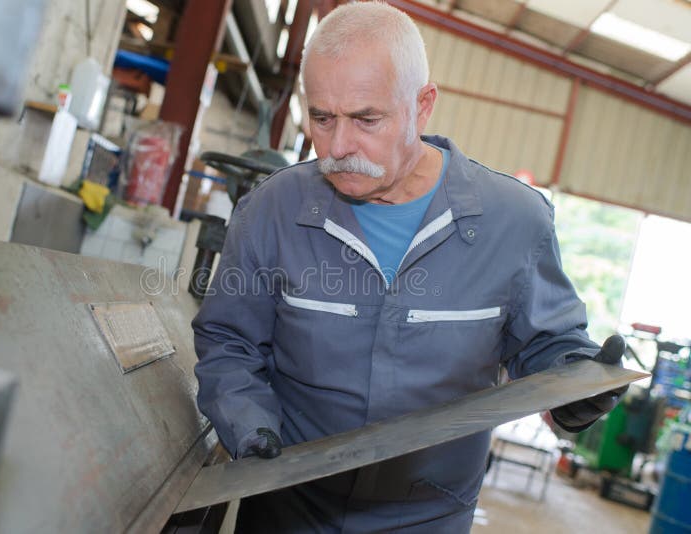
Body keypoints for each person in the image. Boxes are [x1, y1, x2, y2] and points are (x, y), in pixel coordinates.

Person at [192, 2, 625, 532]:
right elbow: (229, 342)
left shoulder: (514, 222)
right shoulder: (272, 211)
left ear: (423, 107)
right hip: (288, 505)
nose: (338, 147)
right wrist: (249, 425)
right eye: (322, 118)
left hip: (428, 515)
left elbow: (547, 345)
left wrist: (575, 385)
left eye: (366, 119)